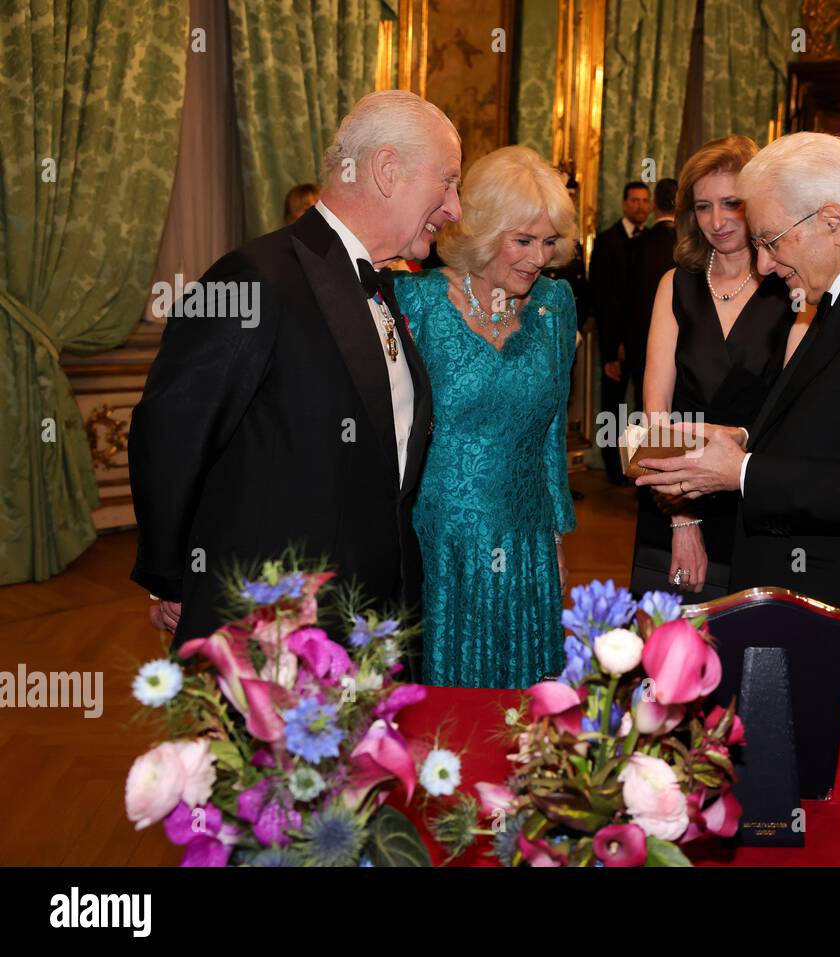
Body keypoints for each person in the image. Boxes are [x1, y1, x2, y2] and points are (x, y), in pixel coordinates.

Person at [635, 132, 840, 690]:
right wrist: (738, 437)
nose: (763, 263)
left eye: (770, 240)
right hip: (802, 597)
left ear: (831, 222)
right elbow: (826, 424)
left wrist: (741, 471)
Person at [129, 90, 461, 649]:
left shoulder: (386, 284)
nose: (456, 207)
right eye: (447, 181)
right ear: (386, 169)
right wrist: (172, 576)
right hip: (278, 625)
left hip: (375, 619)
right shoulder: (253, 277)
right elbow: (171, 433)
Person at [393, 146, 579, 688]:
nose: (537, 257)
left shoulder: (554, 304)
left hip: (526, 541)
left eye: (548, 242)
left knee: (525, 709)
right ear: (482, 231)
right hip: (440, 538)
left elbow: (551, 435)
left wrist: (557, 536)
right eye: (522, 240)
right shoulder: (418, 301)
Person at [632, 136, 792, 599]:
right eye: (703, 207)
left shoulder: (790, 287)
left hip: (756, 502)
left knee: (748, 659)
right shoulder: (676, 285)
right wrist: (682, 518)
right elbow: (655, 412)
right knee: (666, 657)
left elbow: (792, 418)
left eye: (732, 204)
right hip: (672, 493)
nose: (717, 222)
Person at [589, 182, 652, 483]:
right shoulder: (606, 241)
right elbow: (602, 299)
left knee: (644, 404)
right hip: (615, 342)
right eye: (635, 201)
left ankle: (638, 464)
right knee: (612, 407)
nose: (640, 206)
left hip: (644, 343)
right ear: (624, 204)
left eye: (645, 201)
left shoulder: (653, 241)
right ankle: (612, 468)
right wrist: (612, 349)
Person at [623, 178, 679, 408]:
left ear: (654, 204)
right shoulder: (690, 246)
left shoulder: (638, 244)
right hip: (681, 342)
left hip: (639, 341)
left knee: (644, 405)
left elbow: (626, 297)